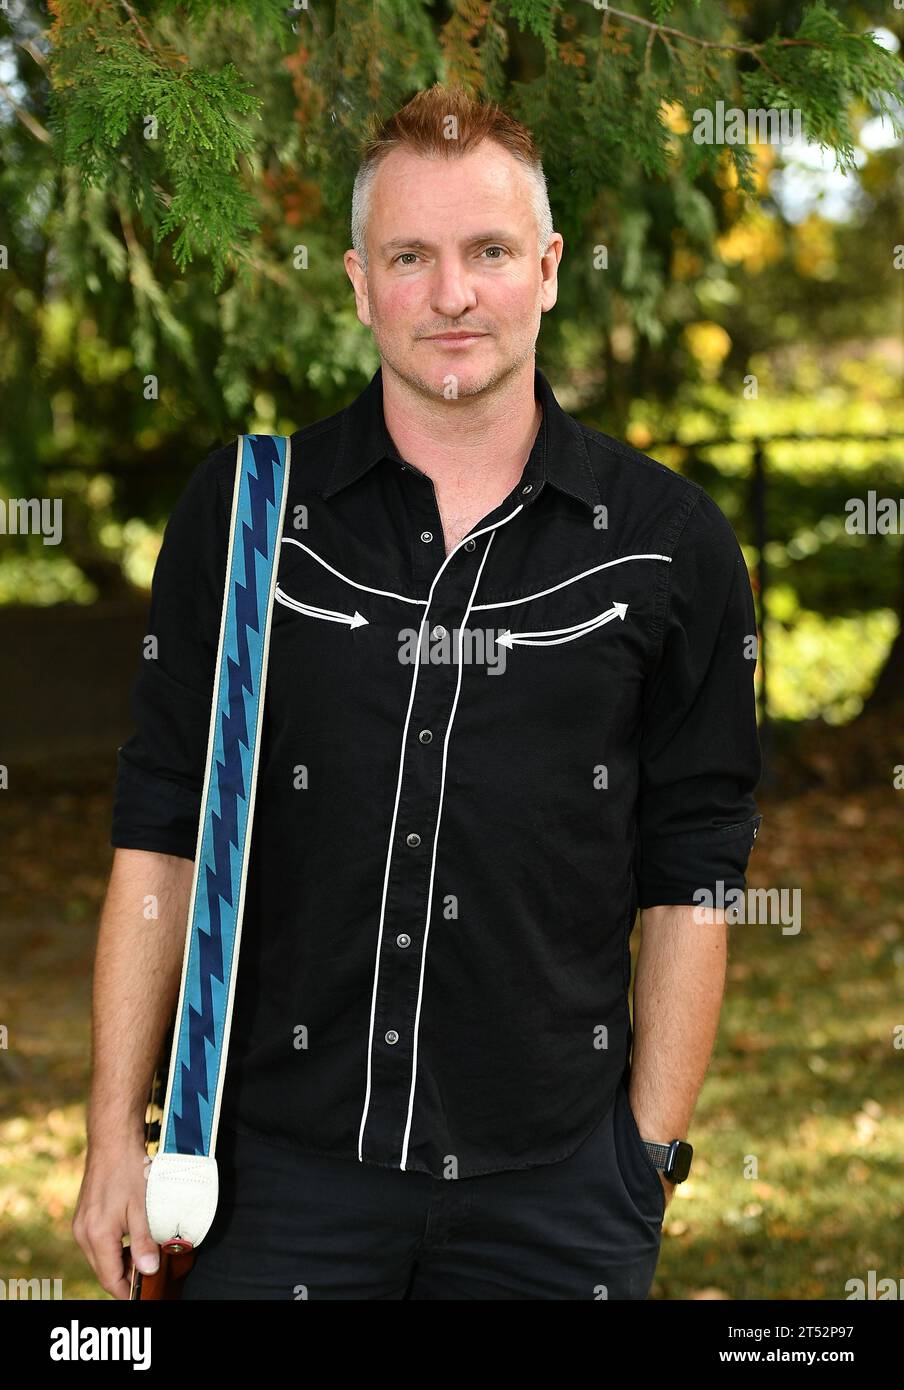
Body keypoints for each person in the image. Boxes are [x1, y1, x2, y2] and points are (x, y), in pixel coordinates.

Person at [73, 83, 761, 1301]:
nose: (452, 294)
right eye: (411, 256)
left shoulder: (668, 542)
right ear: (356, 280)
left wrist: (643, 1152)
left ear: (547, 269)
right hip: (269, 1184)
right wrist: (111, 1136)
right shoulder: (245, 517)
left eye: (488, 251)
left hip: (557, 1192)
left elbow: (694, 859)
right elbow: (163, 830)